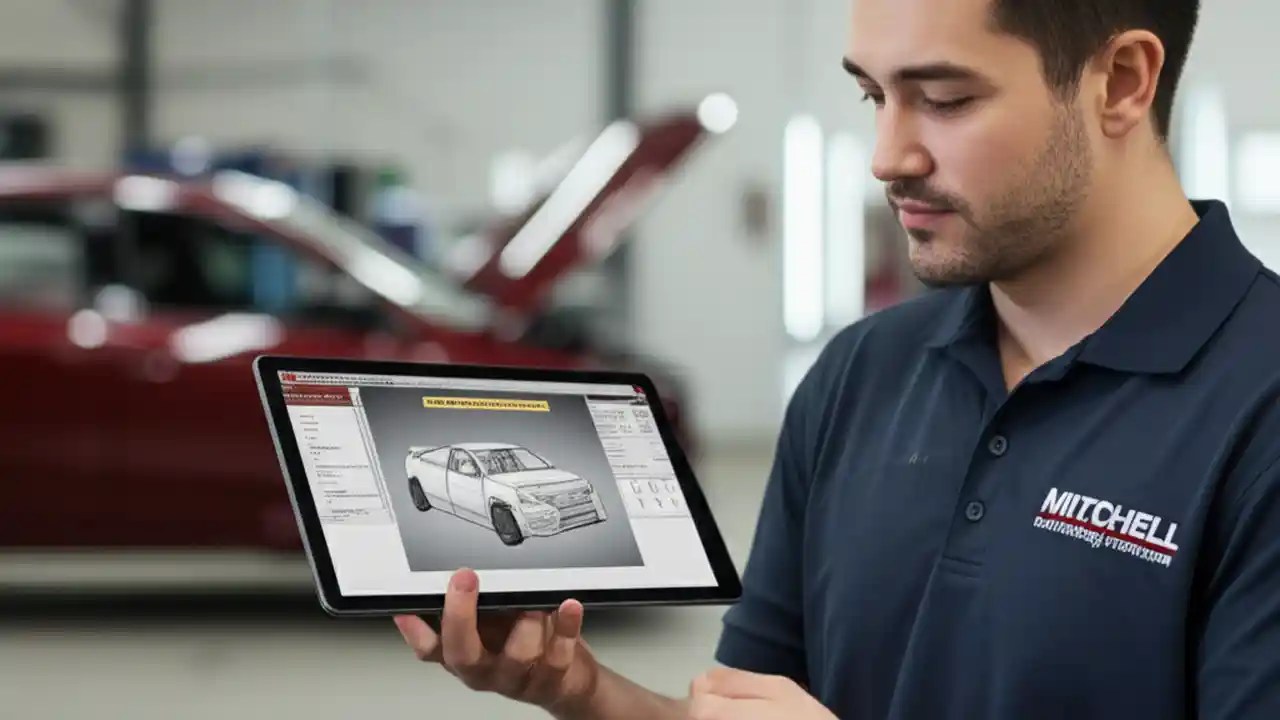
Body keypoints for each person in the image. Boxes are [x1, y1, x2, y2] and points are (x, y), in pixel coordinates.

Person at [393, 0, 1280, 716]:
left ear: (1120, 81)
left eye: (945, 98)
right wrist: (584, 693)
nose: (888, 156)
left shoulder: (1259, 404)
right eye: (872, 96)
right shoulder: (859, 376)